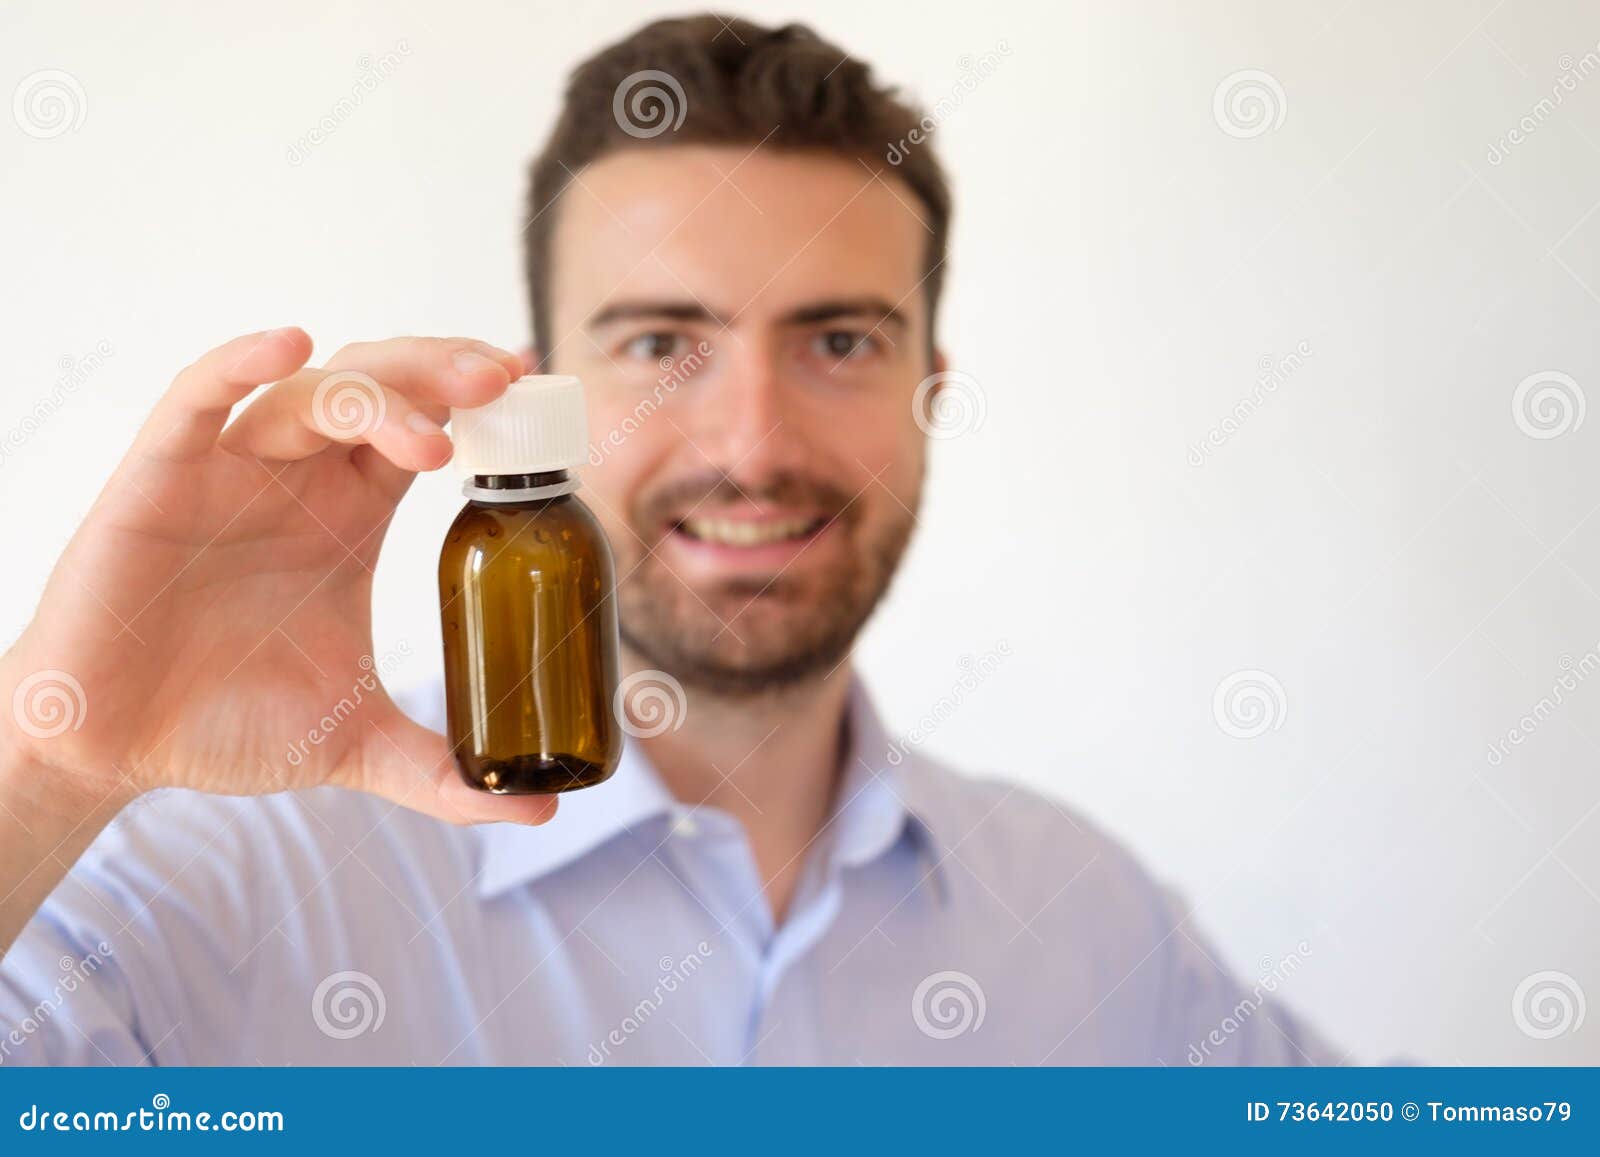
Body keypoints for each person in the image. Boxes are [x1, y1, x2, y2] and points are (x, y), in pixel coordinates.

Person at [0, 14, 1332, 1065]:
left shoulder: (1090, 923)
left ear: (933, 380)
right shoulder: (232, 884)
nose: (750, 442)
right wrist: (44, 766)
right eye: (659, 342)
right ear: (539, 392)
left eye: (840, 339)